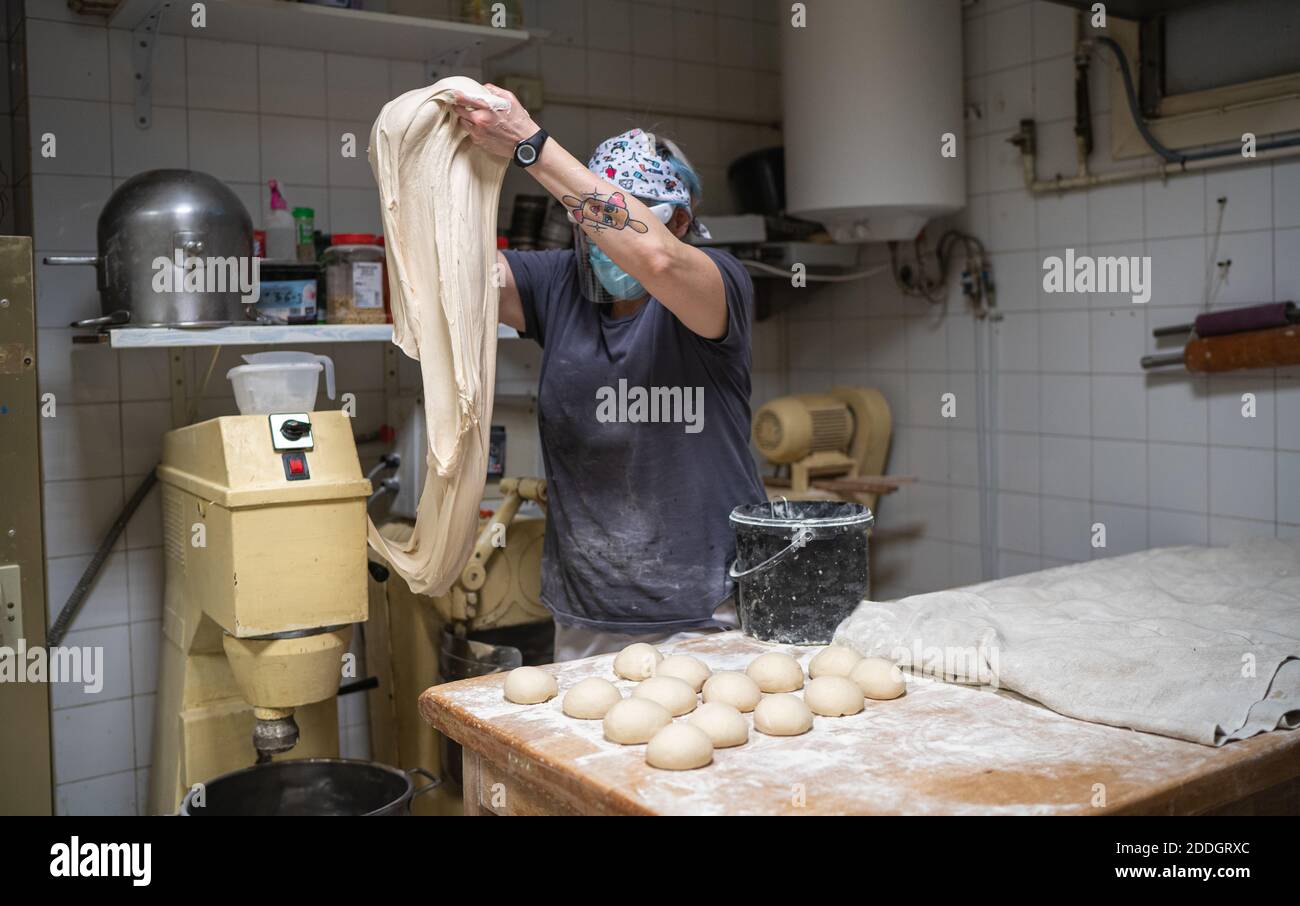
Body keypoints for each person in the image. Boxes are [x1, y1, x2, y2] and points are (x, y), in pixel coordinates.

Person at [451, 84, 766, 660]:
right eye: (592, 226)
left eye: (626, 222)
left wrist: (527, 143)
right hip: (586, 612)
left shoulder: (717, 284)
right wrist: (443, 154)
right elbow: (454, 274)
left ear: (681, 222)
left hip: (707, 612)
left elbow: (655, 259)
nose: (606, 245)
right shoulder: (560, 284)